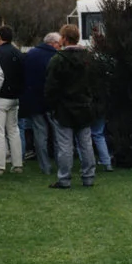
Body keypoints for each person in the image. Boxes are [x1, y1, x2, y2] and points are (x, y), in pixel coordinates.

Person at [45, 24, 97, 189]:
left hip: (64, 107)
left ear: (64, 39)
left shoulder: (58, 59)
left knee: (65, 145)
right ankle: (88, 176)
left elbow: (51, 86)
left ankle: (64, 179)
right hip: (84, 105)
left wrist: (51, 105)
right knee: (86, 143)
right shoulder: (88, 58)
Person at [20, 31, 60, 175]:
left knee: (40, 134)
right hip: (51, 101)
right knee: (57, 134)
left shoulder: (31, 54)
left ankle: (45, 167)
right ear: (54, 43)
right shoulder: (55, 56)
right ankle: (61, 163)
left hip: (33, 100)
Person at [0, 25, 24, 175]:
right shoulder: (19, 53)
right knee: (13, 130)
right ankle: (18, 163)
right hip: (15, 97)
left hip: (1, 97)